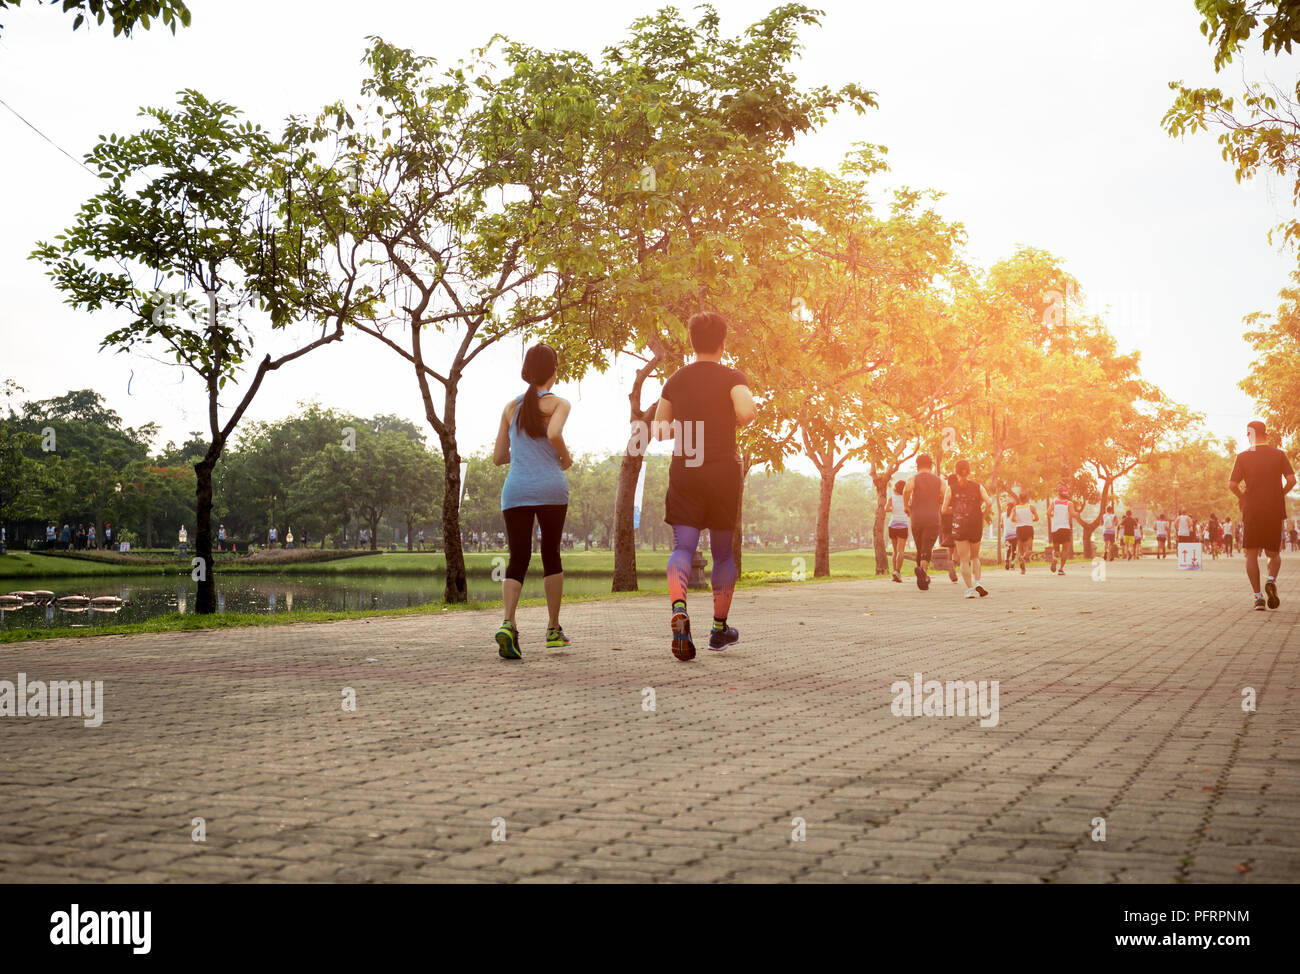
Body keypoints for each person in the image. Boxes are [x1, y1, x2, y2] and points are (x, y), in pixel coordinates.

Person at [652, 311, 757, 661]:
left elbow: (659, 430)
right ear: (723, 343)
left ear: (692, 342)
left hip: (686, 468)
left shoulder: (676, 379)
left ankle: (679, 609)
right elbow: (746, 412)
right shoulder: (733, 376)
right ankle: (718, 629)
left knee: (684, 545)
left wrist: (687, 424)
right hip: (723, 471)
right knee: (723, 552)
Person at [492, 343, 573, 658]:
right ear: (554, 371)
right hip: (551, 488)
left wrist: (522, 453)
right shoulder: (559, 403)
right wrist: (565, 458)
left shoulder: (510, 408)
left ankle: (508, 624)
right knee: (551, 554)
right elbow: (554, 434)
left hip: (516, 491)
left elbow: (499, 457)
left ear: (527, 371)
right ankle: (553, 629)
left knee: (517, 558)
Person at [1229, 421, 1296, 611]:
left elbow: (1232, 485)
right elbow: (1291, 480)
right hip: (1274, 509)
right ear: (1265, 433)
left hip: (1252, 510)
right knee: (1273, 553)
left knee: (1251, 553)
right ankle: (1271, 580)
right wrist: (1280, 493)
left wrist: (1244, 498)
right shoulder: (1278, 454)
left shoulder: (1242, 457)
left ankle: (1258, 598)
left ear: (1250, 433)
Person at [942, 459, 991, 598]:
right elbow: (989, 501)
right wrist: (982, 512)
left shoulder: (951, 489)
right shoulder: (978, 487)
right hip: (976, 523)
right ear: (969, 471)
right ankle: (978, 582)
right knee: (975, 556)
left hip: (960, 525)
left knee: (964, 559)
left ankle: (970, 589)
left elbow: (944, 510)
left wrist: (957, 510)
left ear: (956, 472)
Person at [904, 455, 944, 591]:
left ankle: (922, 578)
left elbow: (906, 490)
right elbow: (945, 495)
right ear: (931, 465)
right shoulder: (939, 481)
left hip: (916, 517)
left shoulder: (913, 479)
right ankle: (923, 571)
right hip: (932, 517)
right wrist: (939, 503)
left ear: (917, 465)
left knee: (920, 547)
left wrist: (906, 506)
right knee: (927, 546)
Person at [1046, 485, 1077, 575]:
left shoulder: (1054, 502)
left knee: (1056, 549)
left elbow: (1048, 512)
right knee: (1064, 550)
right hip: (1065, 528)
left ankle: (1055, 559)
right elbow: (1072, 514)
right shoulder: (1069, 503)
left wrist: (1053, 516)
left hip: (1055, 528)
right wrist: (1077, 514)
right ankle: (1061, 569)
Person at [888, 479, 909, 583]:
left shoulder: (892, 498)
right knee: (901, 550)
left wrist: (893, 509)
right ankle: (897, 571)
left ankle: (894, 573)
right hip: (903, 525)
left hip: (892, 524)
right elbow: (910, 510)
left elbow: (886, 509)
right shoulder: (907, 499)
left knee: (895, 550)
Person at [1013, 491, 1038, 574]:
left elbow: (1013, 519)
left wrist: (1019, 520)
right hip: (1028, 528)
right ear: (1027, 498)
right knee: (1029, 550)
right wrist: (1031, 519)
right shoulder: (1031, 507)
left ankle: (1022, 569)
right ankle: (1024, 558)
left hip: (1019, 529)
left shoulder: (1015, 508)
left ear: (1019, 499)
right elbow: (1037, 518)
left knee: (1020, 550)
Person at [1001, 502, 1017, 571]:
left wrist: (1003, 534)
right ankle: (1012, 565)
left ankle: (1006, 561)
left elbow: (1001, 525)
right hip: (1014, 535)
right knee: (1014, 550)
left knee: (1008, 549)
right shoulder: (1015, 515)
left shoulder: (1003, 515)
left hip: (1006, 535)